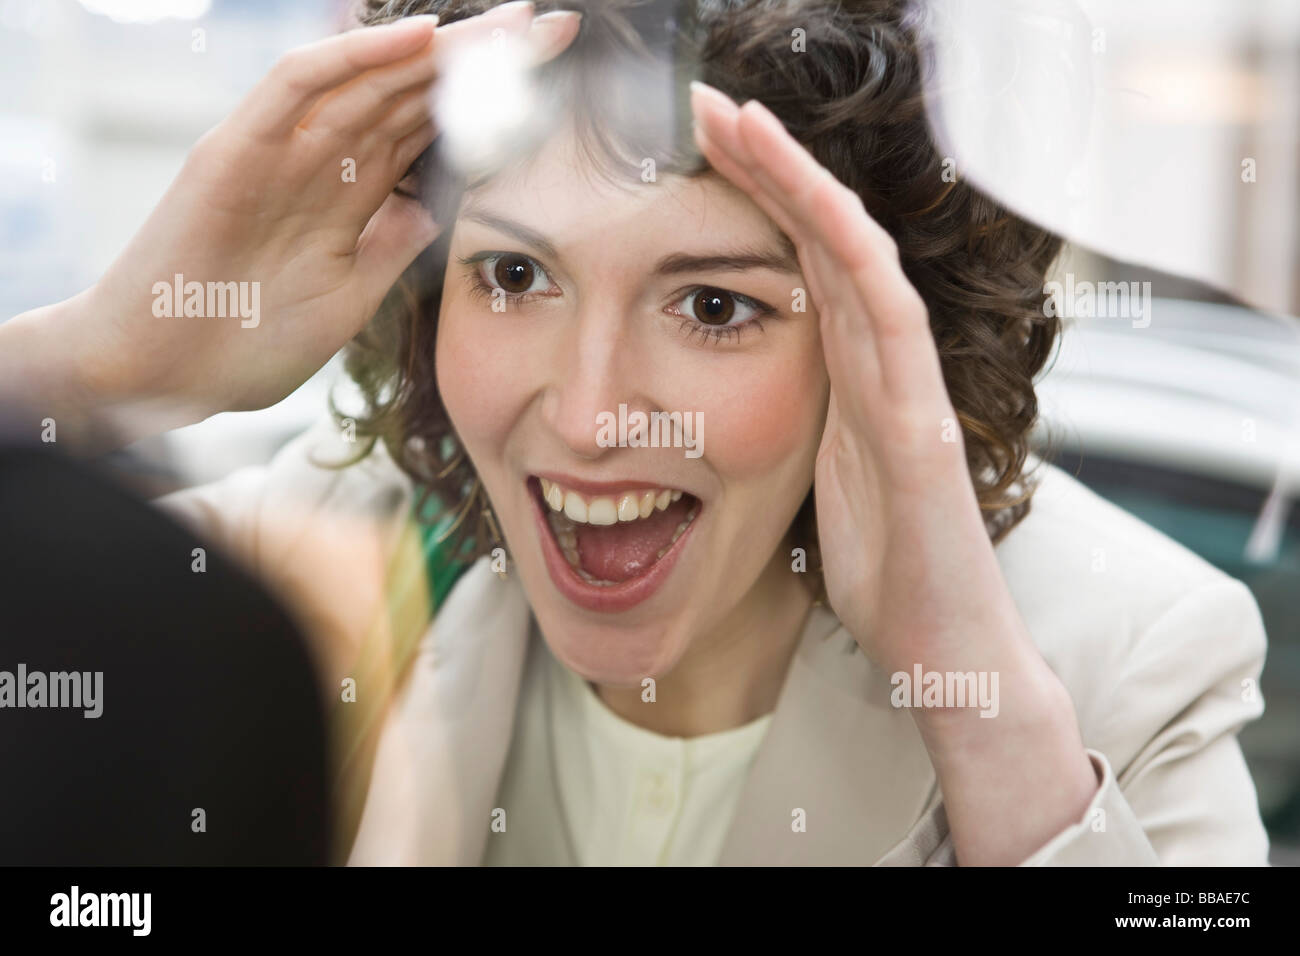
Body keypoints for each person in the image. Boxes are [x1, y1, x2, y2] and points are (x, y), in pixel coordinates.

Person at [0, 0, 1270, 866]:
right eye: (512, 278)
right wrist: (95, 366)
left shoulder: (1134, 651)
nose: (592, 412)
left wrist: (978, 701)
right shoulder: (320, 567)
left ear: (889, 342)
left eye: (713, 305)